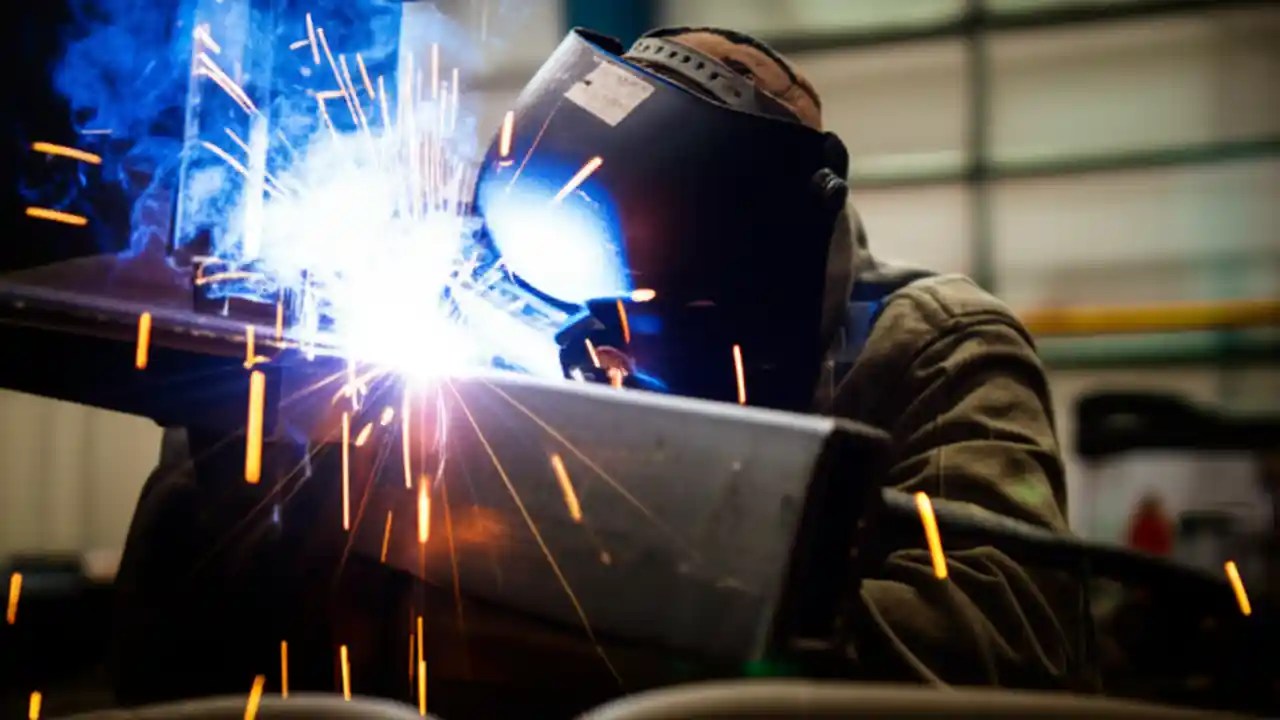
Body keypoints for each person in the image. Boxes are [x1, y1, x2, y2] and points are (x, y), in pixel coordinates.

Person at [113, 23, 1094, 716]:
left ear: (750, 275)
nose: (594, 358)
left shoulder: (932, 348)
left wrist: (541, 622)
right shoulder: (494, 304)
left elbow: (997, 661)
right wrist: (251, 461)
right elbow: (175, 645)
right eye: (570, 317)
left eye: (639, 319)